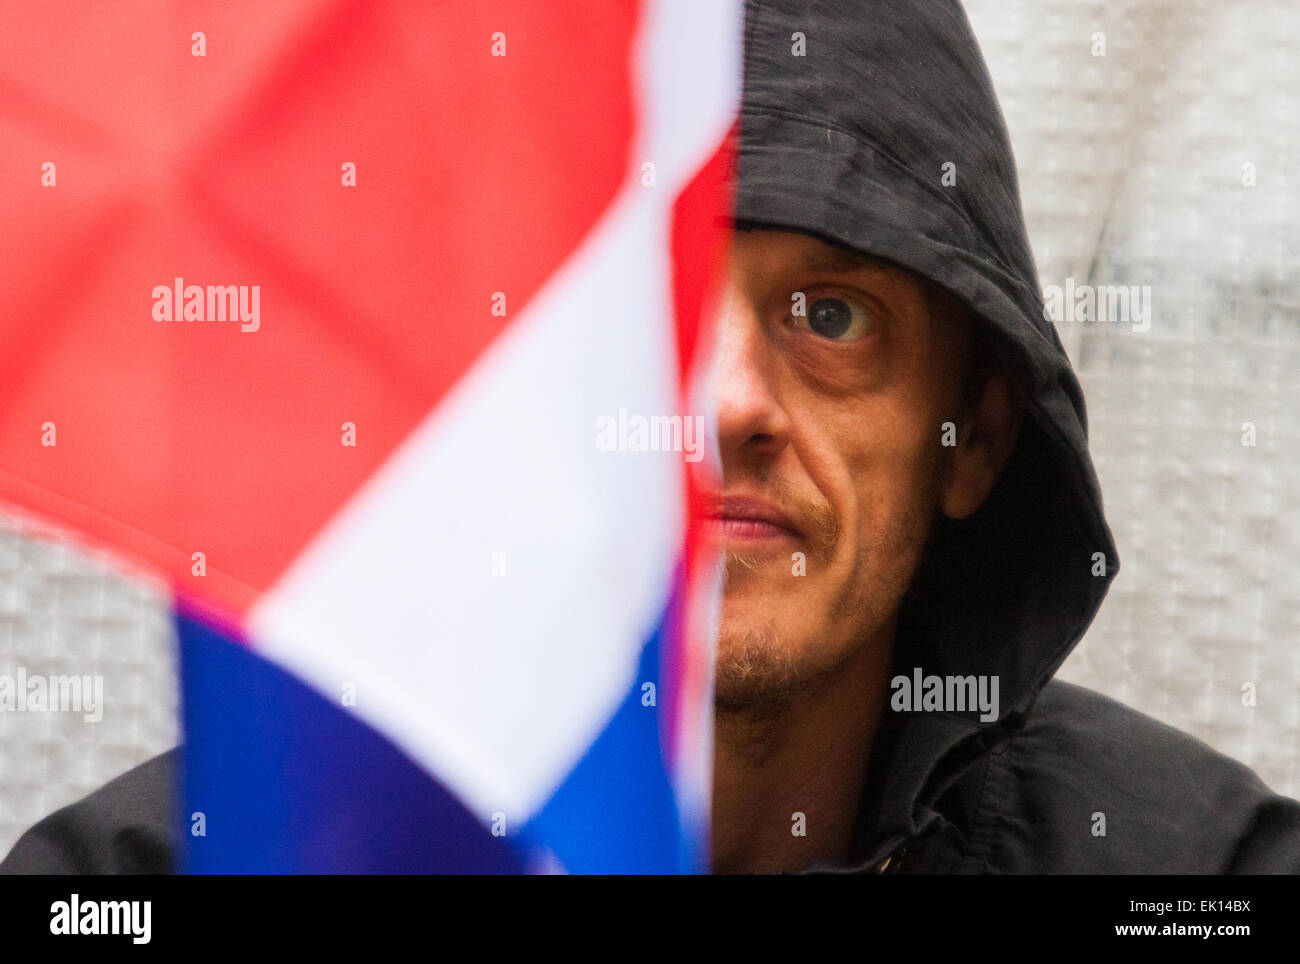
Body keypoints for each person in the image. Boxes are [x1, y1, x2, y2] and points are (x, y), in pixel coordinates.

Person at [4, 0, 1299, 874]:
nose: (720, 405)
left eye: (829, 315)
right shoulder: (152, 871)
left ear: (974, 434)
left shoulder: (1201, 870)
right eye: (639, 310)